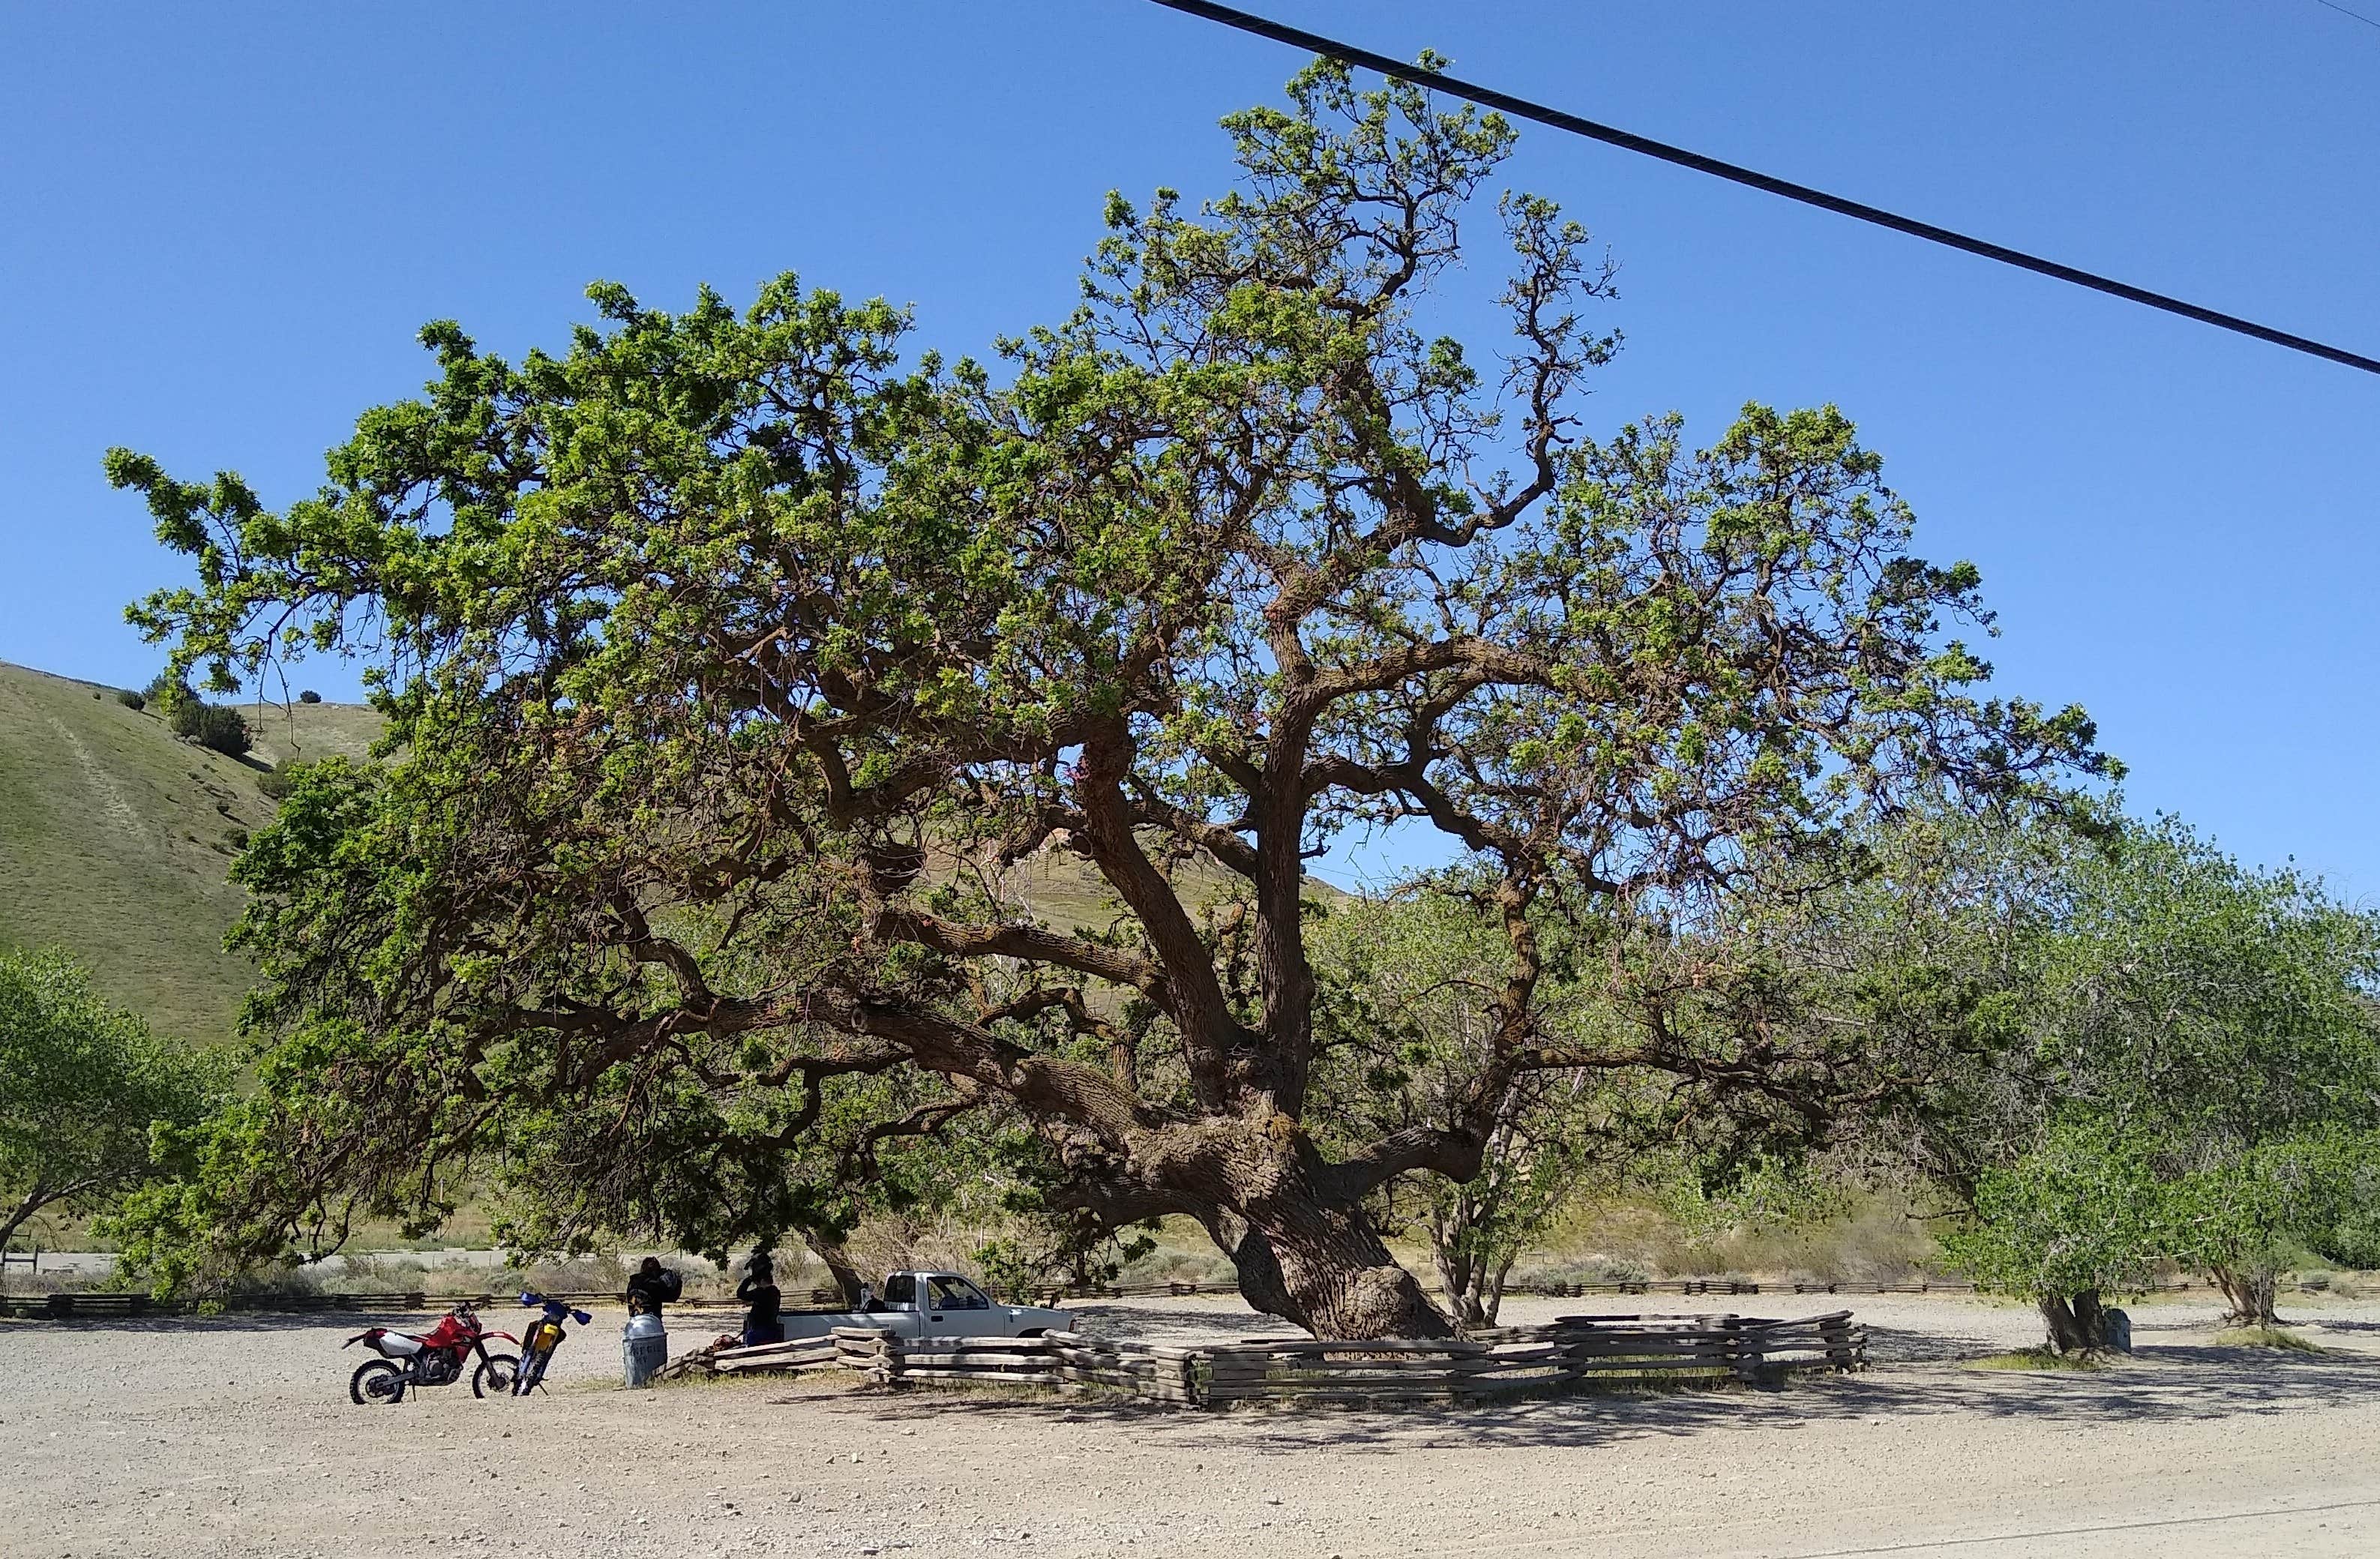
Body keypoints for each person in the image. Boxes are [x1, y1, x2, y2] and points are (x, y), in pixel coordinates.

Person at [736, 1251, 784, 1347]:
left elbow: (740, 1294)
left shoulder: (760, 1293)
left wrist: (749, 1279)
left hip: (759, 1333)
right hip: (773, 1330)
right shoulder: (775, 1291)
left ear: (762, 1281)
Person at [625, 1255, 683, 1320]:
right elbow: (672, 1297)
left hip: (634, 1320)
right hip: (652, 1320)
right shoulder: (654, 1284)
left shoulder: (633, 1281)